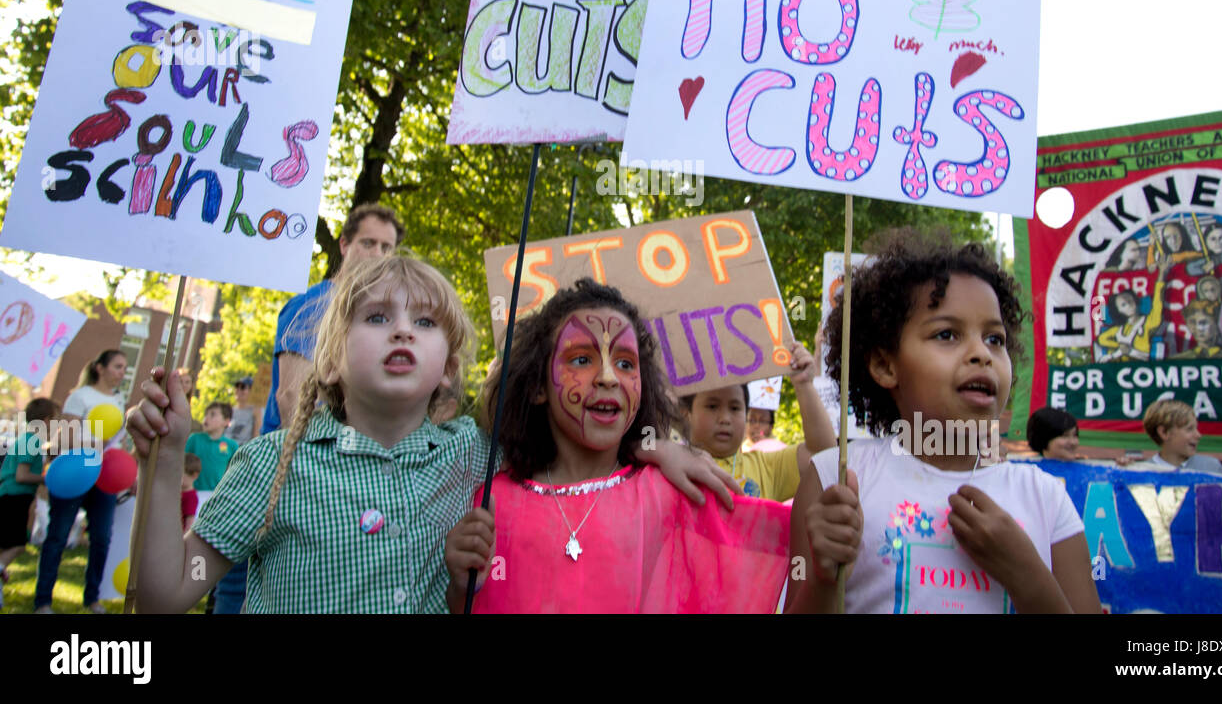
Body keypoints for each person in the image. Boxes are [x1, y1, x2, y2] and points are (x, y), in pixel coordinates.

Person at [126, 256, 731, 613]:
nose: (402, 333)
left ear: (447, 367)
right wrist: (166, 456)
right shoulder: (269, 466)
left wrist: (653, 442)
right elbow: (169, 592)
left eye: (423, 322)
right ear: (331, 359)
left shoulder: (474, 457)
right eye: (377, 317)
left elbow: (576, 441)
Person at [785, 230, 1100, 614]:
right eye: (947, 334)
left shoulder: (1047, 499)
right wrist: (822, 577)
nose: (981, 353)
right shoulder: (834, 480)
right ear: (885, 365)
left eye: (995, 339)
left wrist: (1027, 575)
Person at [444, 279, 789, 613]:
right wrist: (461, 586)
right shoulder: (492, 499)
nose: (608, 376)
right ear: (537, 386)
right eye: (581, 359)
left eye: (625, 363)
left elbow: (781, 545)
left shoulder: (671, 492)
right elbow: (481, 601)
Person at [263, 203, 404, 434]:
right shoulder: (312, 304)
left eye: (386, 247)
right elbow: (291, 397)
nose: (377, 254)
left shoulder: (386, 316)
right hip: (297, 458)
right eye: (368, 243)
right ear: (345, 245)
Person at [34, 349, 128, 614]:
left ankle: (92, 598)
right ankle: (43, 601)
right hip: (75, 471)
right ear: (100, 368)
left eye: (124, 367)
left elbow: (116, 439)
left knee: (102, 537)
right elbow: (64, 437)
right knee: (58, 536)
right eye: (118, 366)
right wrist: (93, 444)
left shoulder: (120, 400)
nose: (122, 372)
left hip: (104, 474)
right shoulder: (80, 396)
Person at [682, 344, 834, 501]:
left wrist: (804, 385)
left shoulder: (767, 469)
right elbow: (653, 445)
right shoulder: (670, 462)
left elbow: (822, 453)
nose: (725, 418)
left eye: (735, 408)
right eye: (712, 406)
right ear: (686, 414)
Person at [0, 398, 58, 610]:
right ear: (45, 420)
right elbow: (22, 475)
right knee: (17, 545)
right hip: (15, 497)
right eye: (55, 420)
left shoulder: (27, 439)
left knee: (5, 545)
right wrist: (47, 479)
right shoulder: (32, 441)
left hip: (11, 496)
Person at [1125, 399, 1222, 474]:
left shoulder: (1211, 467)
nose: (1198, 435)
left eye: (1196, 428)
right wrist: (1123, 472)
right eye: (1189, 429)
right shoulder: (1142, 472)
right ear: (1164, 433)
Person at [184, 402, 237, 491]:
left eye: (212, 414)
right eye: (206, 414)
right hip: (192, 492)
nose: (206, 418)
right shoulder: (194, 439)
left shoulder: (232, 446)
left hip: (216, 495)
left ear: (226, 421)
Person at [226, 377, 260, 444]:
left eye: (242, 387)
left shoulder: (256, 411)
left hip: (242, 451)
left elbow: (257, 438)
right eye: (237, 387)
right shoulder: (230, 410)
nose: (238, 390)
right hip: (224, 450)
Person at [180, 453, 202, 534]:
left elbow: (190, 522)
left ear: (194, 475)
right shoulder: (177, 492)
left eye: (181, 475)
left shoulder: (191, 497)